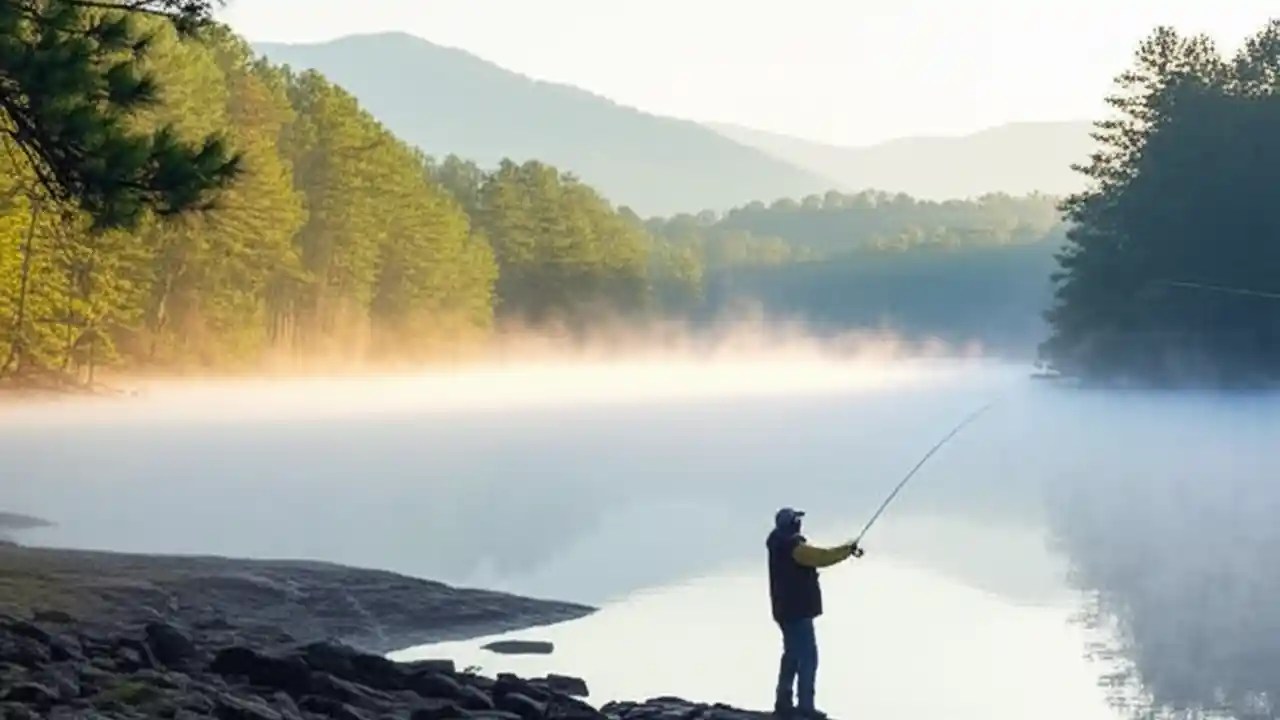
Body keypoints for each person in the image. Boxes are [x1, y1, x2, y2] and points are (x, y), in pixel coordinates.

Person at [766, 507, 863, 718]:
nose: (800, 523)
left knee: (791, 655)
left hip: (784, 609)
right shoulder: (794, 548)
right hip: (797, 611)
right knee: (808, 657)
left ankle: (783, 702)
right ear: (792, 524)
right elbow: (821, 557)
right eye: (797, 520)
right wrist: (846, 550)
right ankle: (805, 707)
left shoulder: (778, 543)